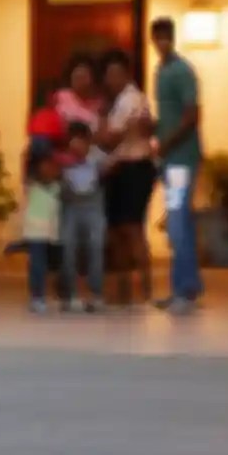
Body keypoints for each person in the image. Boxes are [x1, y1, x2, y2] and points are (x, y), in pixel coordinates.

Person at [151, 16, 204, 315]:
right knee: (178, 223)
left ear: (172, 37)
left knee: (178, 223)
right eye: (157, 37)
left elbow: (192, 116)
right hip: (170, 160)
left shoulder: (183, 71)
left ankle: (183, 291)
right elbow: (168, 116)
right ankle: (186, 286)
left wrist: (166, 143)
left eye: (165, 36)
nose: (162, 42)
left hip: (181, 160)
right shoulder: (161, 70)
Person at [97, 49, 157, 306]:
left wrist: (98, 127)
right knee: (117, 231)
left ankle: (145, 289)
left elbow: (110, 141)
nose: (111, 78)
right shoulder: (124, 100)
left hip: (134, 169)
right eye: (108, 74)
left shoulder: (129, 100)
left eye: (115, 73)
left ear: (126, 74)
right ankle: (124, 291)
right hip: (123, 170)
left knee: (131, 229)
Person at [60, 121, 110, 312]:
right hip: (72, 204)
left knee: (95, 246)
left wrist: (95, 166)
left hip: (93, 203)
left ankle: (96, 294)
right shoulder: (64, 157)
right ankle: (71, 294)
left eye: (81, 141)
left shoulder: (97, 155)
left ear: (88, 141)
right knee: (69, 246)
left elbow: (109, 166)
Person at [21, 144, 61, 314]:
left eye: (51, 165)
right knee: (37, 264)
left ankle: (42, 295)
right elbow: (25, 165)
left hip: (51, 232)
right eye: (44, 165)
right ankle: (37, 296)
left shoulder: (58, 187)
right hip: (34, 232)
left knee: (46, 265)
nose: (49, 168)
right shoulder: (32, 185)